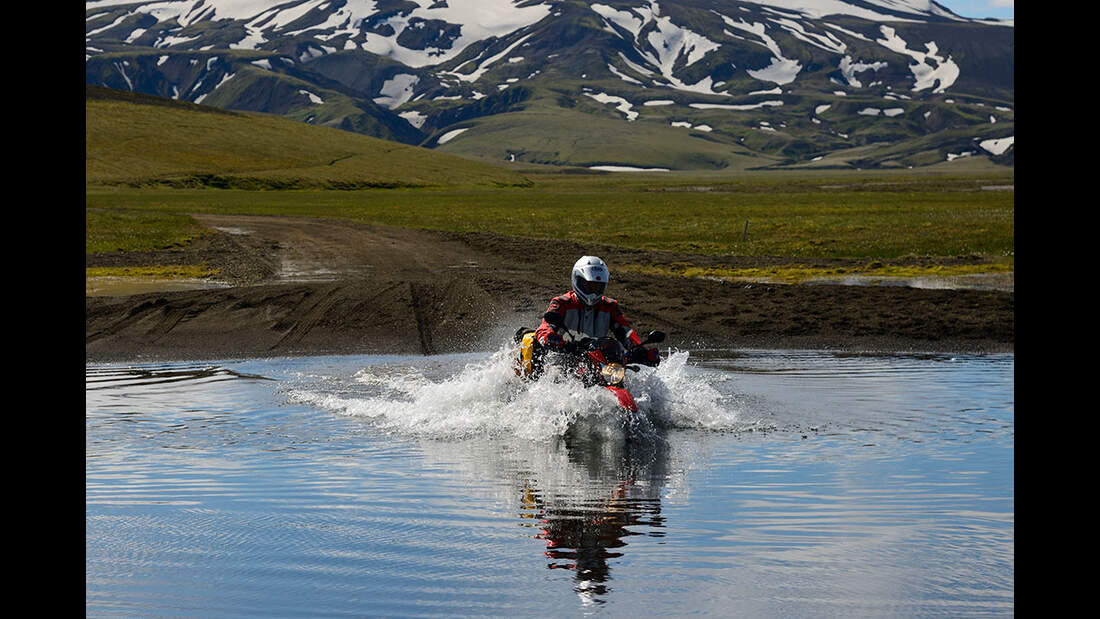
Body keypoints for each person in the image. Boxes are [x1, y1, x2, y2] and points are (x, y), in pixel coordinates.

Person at [533, 256, 660, 367]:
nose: (593, 291)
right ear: (578, 280)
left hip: (600, 361)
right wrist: (551, 338)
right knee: (556, 374)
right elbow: (544, 328)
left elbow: (626, 332)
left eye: (597, 287)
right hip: (563, 358)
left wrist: (639, 349)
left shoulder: (610, 306)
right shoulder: (562, 303)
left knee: (629, 378)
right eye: (589, 286)